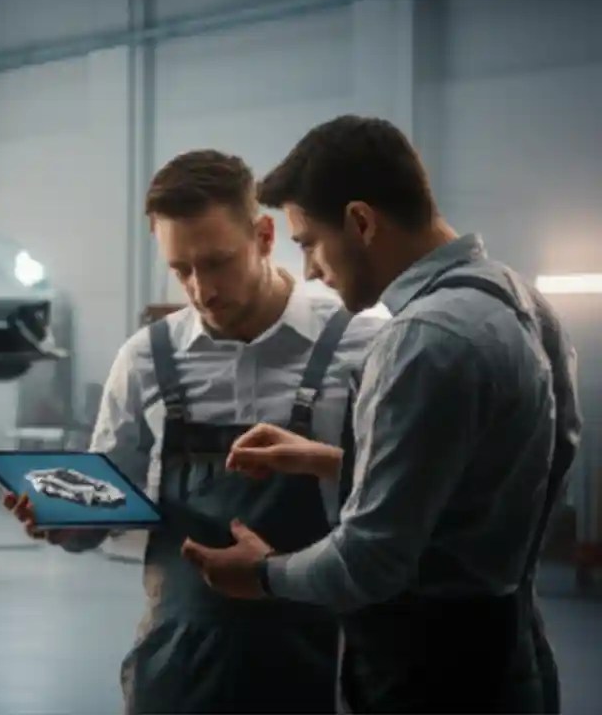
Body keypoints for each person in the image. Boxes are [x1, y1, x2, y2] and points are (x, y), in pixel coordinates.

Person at [180, 115, 582, 713]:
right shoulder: (520, 302)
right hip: (510, 660)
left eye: (309, 242)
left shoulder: (421, 339)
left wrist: (262, 573)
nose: (312, 269)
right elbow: (494, 477)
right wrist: (331, 461)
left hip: (429, 680)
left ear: (361, 222)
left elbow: (369, 562)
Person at [4, 149, 387, 713]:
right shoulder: (145, 359)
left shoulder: (364, 342)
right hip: (180, 663)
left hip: (325, 659)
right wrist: (66, 523)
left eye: (217, 262)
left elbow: (398, 494)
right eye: (181, 269)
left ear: (263, 235)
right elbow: (112, 498)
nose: (201, 290)